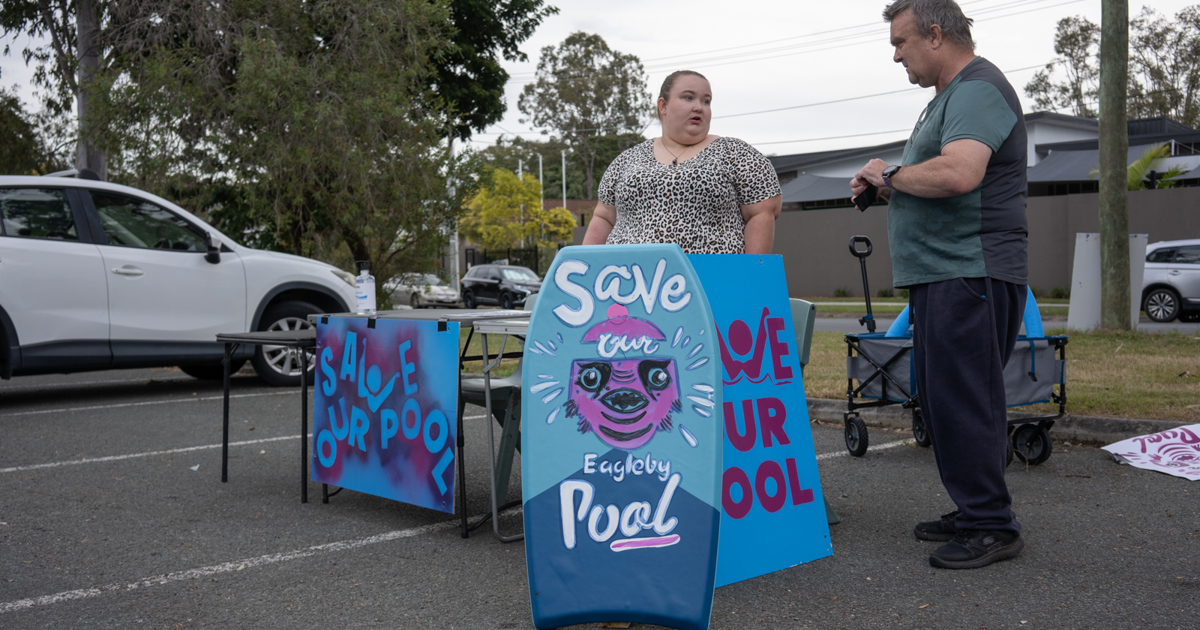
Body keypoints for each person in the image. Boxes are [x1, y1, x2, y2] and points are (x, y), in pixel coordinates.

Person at [850, 0, 1029, 570]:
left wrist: (890, 175)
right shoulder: (946, 99)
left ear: (934, 33)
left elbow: (958, 172)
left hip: (968, 269)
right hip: (944, 272)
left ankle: (992, 525)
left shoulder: (976, 88)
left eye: (900, 43)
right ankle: (974, 507)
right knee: (946, 396)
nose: (897, 55)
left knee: (964, 398)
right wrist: (886, 184)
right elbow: (930, 176)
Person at [582, 70, 782, 254]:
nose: (699, 107)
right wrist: (582, 271)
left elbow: (763, 213)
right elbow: (604, 218)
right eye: (688, 98)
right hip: (629, 282)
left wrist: (751, 277)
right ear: (663, 106)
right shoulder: (626, 160)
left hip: (711, 283)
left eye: (706, 101)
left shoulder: (738, 154)